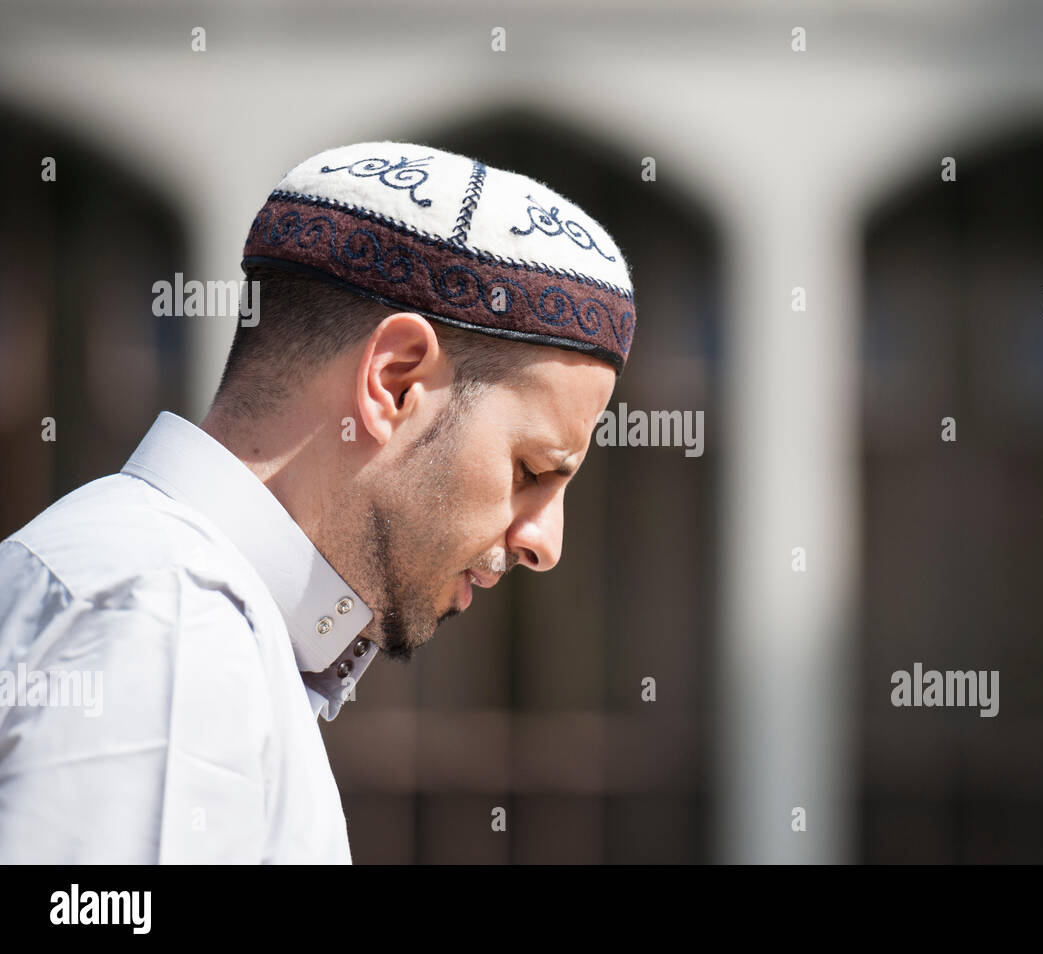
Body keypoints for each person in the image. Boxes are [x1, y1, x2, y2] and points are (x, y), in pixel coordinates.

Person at [0, 141, 637, 862]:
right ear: (394, 382)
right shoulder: (176, 618)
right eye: (531, 469)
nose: (544, 542)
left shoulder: (170, 598)